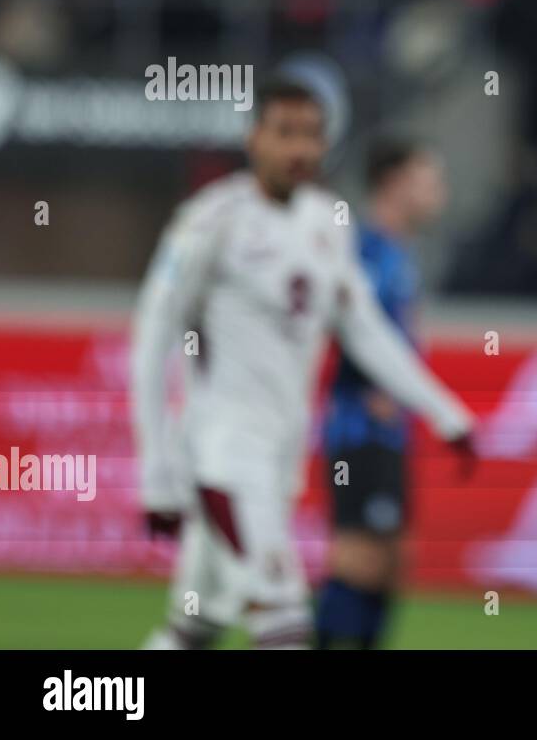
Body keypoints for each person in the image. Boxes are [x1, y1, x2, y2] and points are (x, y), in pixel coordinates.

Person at [131, 82, 474, 649]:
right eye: (284, 132)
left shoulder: (327, 223)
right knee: (286, 624)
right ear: (254, 139)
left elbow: (364, 329)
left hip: (275, 464)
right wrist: (155, 471)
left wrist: (446, 413)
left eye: (311, 135)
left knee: (194, 629)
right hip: (225, 462)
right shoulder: (212, 218)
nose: (299, 149)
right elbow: (151, 338)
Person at [315, 140, 470, 649]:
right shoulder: (361, 248)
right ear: (395, 183)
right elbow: (341, 326)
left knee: (391, 562)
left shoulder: (402, 251)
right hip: (358, 429)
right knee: (358, 558)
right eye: (429, 179)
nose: (438, 192)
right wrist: (374, 383)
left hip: (390, 430)